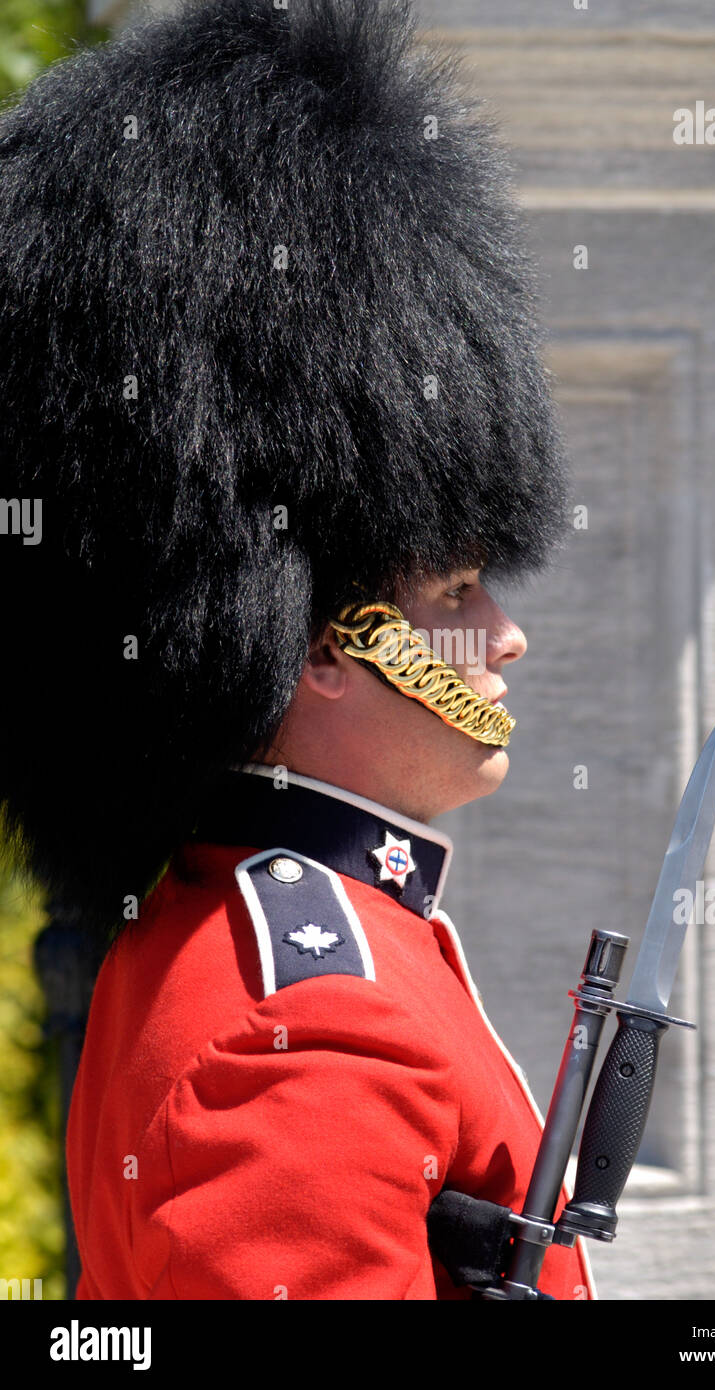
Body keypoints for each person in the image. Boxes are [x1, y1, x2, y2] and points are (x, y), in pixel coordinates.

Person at [0, 0, 595, 1299]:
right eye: (456, 587)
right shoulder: (306, 1019)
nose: (506, 635)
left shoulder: (229, 931)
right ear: (327, 639)